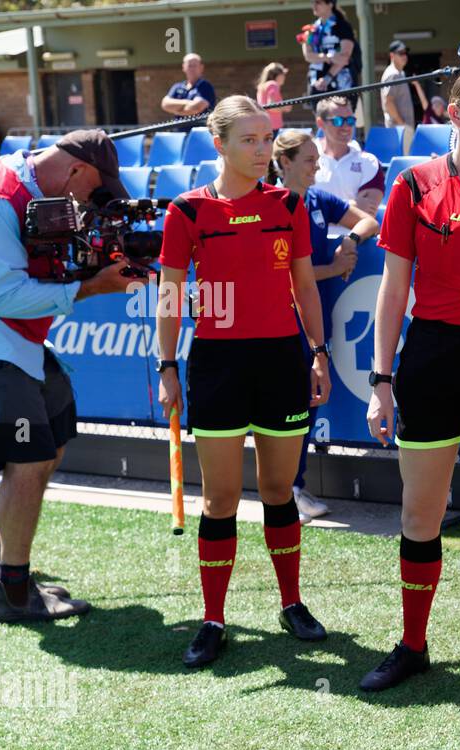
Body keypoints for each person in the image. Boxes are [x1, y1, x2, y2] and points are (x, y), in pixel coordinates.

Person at [360, 69, 460, 694]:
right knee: (420, 511)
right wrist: (381, 379)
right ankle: (412, 643)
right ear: (454, 115)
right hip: (431, 354)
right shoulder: (413, 183)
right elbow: (392, 288)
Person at [156, 96, 331, 668]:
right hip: (217, 365)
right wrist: (167, 366)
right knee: (221, 497)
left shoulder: (288, 204)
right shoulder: (187, 211)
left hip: (282, 359)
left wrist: (318, 353)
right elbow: (170, 295)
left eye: (267, 139)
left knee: (280, 492)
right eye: (250, 141)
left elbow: (305, 286)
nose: (263, 152)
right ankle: (213, 619)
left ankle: (291, 603)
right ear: (220, 145)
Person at [0, 130, 132, 622]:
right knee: (28, 459)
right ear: (75, 171)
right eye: (94, 191)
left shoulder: (35, 189)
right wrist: (90, 287)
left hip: (19, 342)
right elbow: (4, 295)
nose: (91, 202)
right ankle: (15, 598)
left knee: (55, 435)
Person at [271, 129, 379, 523]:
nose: (317, 167)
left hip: (315, 322)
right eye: (309, 161)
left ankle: (293, 487)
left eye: (318, 160)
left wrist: (349, 240)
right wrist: (332, 268)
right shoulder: (270, 203)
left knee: (310, 402)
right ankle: (286, 491)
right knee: (289, 409)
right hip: (282, 323)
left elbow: (369, 221)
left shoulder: (319, 199)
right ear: (284, 163)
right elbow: (282, 273)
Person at [313, 97, 385, 218]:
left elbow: (366, 214)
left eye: (350, 120)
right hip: (313, 236)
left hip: (355, 236)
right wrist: (352, 205)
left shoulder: (370, 162)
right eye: (338, 121)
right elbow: (302, 208)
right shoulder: (307, 157)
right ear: (321, 123)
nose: (346, 126)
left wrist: (322, 209)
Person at [300, 0, 362, 105]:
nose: (314, 5)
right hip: (317, 83)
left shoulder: (342, 26)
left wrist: (327, 78)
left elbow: (344, 57)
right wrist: (328, 57)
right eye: (312, 2)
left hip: (341, 84)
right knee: (322, 118)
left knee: (343, 118)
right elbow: (308, 56)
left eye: (318, 2)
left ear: (330, 4)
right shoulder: (312, 29)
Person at [381, 40, 417, 149]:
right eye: (401, 53)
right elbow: (388, 102)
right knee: (403, 163)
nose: (404, 56)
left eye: (405, 53)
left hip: (402, 127)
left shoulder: (400, 73)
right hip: (398, 129)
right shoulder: (393, 74)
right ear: (392, 55)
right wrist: (402, 124)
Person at [256, 62, 292, 133]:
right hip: (273, 126)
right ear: (277, 75)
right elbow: (271, 106)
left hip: (264, 124)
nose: (284, 77)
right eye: (283, 74)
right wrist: (285, 107)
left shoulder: (262, 86)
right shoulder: (273, 85)